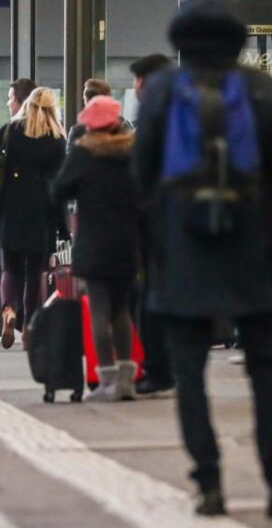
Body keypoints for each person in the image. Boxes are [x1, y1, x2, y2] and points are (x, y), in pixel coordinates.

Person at [133, 0, 272, 519]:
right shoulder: (262, 89)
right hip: (251, 243)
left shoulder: (161, 90)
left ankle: (209, 484)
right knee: (265, 371)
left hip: (183, 247)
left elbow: (142, 175)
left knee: (189, 374)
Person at [53, 95, 139, 401]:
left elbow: (59, 188)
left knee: (100, 310)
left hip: (94, 241)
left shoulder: (83, 153)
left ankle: (107, 380)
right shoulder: (132, 152)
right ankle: (127, 380)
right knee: (122, 309)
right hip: (128, 241)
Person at [0, 87, 65, 350]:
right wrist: (63, 228)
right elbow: (59, 186)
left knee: (11, 268)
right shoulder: (57, 138)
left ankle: (8, 311)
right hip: (43, 212)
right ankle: (29, 327)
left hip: (11, 208)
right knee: (35, 273)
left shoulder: (10, 131)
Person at [125, 53, 175, 398]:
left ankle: (159, 368)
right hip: (195, 219)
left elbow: (141, 174)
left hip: (158, 220)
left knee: (148, 296)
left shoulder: (155, 114)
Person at [66, 79, 132, 152]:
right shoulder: (123, 126)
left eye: (84, 97)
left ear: (86, 101)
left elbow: (70, 158)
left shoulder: (77, 131)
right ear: (109, 98)